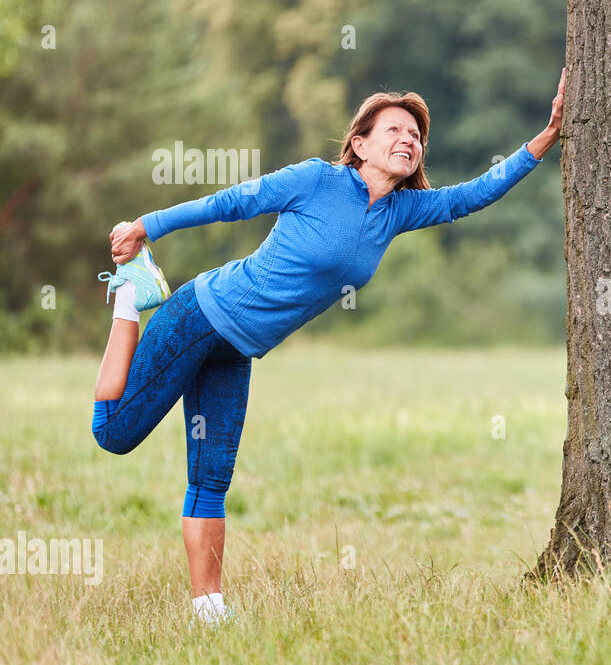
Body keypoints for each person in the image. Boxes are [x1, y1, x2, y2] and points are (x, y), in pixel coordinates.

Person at [92, 72, 566, 623]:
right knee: (114, 435)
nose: (408, 139)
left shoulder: (399, 213)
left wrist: (548, 135)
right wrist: (146, 227)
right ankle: (130, 295)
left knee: (212, 476)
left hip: (236, 349)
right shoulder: (315, 180)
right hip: (199, 316)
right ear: (360, 144)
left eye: (415, 135)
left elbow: (475, 194)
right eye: (395, 129)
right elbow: (231, 203)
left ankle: (208, 608)